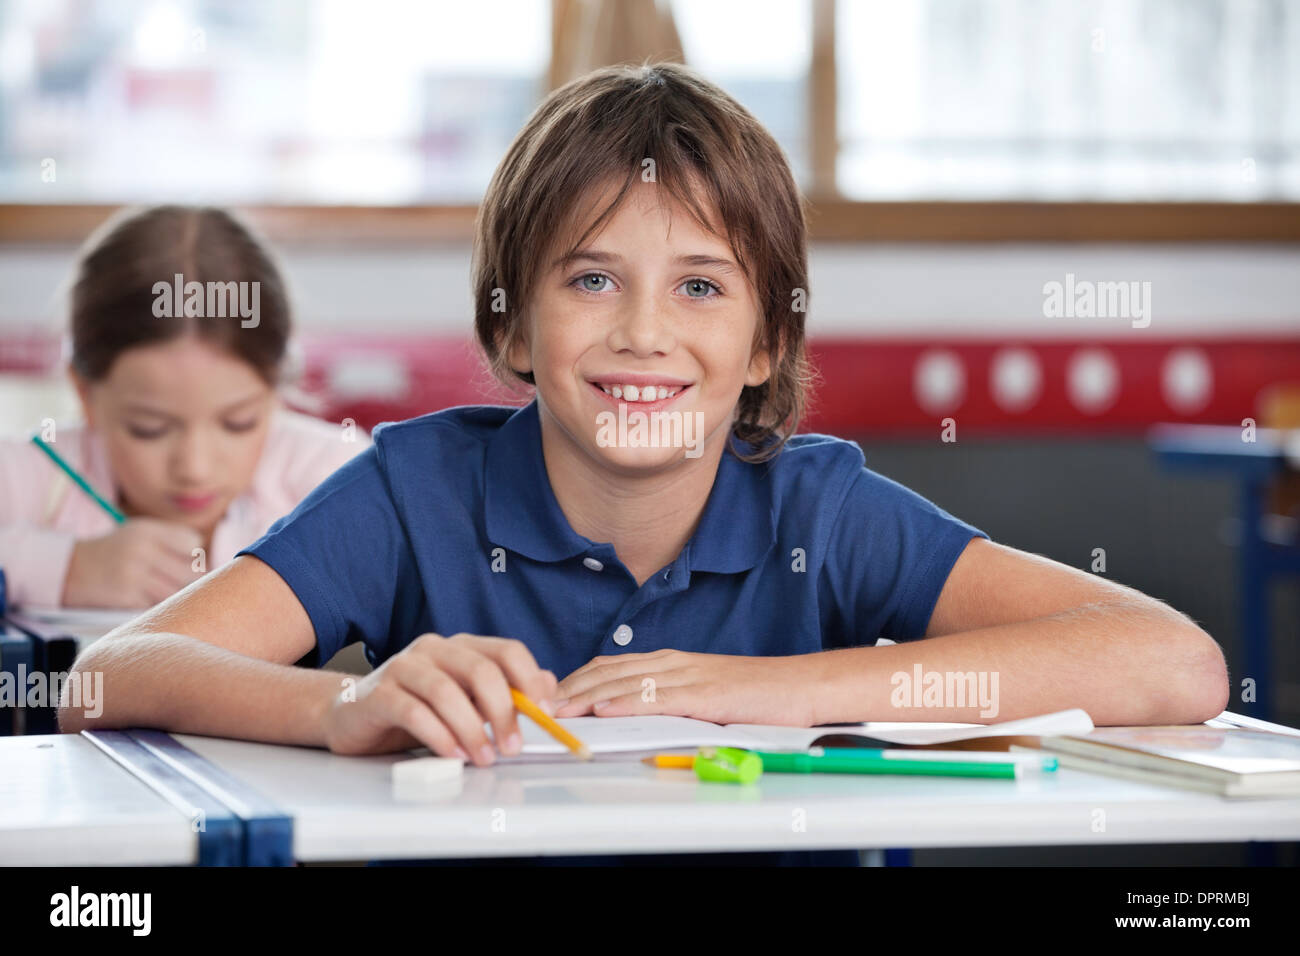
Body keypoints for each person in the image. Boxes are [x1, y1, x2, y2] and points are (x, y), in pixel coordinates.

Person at [62, 67, 1228, 865]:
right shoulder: (413, 490)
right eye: (588, 278)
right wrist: (349, 703)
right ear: (513, 328)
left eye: (701, 286)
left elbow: (1173, 664)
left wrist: (757, 688)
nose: (642, 332)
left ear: (767, 341)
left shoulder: (817, 505)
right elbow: (108, 678)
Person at [0, 205, 367, 610]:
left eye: (238, 423)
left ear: (276, 387)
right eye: (149, 428)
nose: (195, 468)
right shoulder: (35, 474)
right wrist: (63, 569)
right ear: (84, 393)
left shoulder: (334, 473)